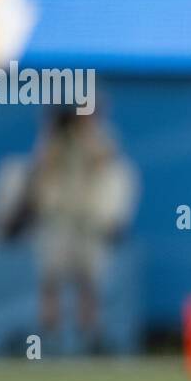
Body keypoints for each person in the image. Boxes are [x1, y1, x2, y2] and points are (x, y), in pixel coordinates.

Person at [31, 108, 117, 352]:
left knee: (88, 280)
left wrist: (84, 133)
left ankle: (89, 335)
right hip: (57, 218)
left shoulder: (98, 137)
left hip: (86, 220)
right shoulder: (51, 140)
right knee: (51, 279)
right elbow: (43, 167)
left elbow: (103, 159)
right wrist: (54, 134)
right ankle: (50, 336)